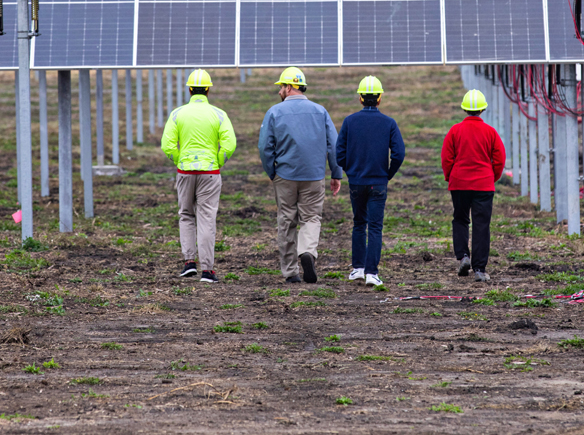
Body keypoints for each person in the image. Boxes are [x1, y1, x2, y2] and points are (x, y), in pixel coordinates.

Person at [258, 67, 343, 283]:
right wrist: (336, 173)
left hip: (285, 175)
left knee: (286, 219)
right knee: (312, 217)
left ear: (289, 87)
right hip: (314, 176)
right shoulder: (320, 111)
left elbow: (264, 147)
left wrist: (272, 172)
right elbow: (334, 145)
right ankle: (307, 251)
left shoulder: (274, 112)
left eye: (281, 87)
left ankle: (291, 272)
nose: (279, 92)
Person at [161, 69, 237, 283]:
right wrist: (218, 160)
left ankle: (188, 263)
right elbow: (230, 144)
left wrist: (179, 160)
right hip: (210, 172)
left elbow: (167, 144)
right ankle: (208, 270)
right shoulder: (219, 114)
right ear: (208, 89)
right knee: (207, 218)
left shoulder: (177, 114)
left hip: (185, 171)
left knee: (186, 215)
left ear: (189, 89)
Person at [335, 75, 405, 288]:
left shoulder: (349, 121)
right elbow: (399, 153)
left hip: (356, 181)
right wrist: (387, 174)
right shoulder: (389, 123)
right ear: (380, 98)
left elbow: (339, 153)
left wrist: (351, 171)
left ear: (360, 98)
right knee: (375, 227)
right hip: (379, 182)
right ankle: (372, 273)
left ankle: (357, 269)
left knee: (358, 223)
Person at [440, 89, 506, 282]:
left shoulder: (455, 131)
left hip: (459, 183)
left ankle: (463, 256)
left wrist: (450, 177)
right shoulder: (490, 132)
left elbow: (447, 158)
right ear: (483, 109)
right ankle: (479, 269)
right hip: (484, 185)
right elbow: (499, 159)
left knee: (460, 219)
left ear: (464, 109)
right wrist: (490, 177)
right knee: (481, 225)